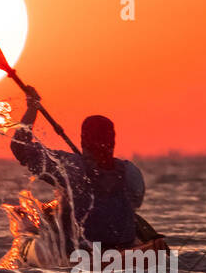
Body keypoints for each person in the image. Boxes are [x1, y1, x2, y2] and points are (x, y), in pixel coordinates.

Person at [9, 87, 159, 250]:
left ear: (82, 141)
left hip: (82, 252)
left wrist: (32, 108)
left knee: (57, 210)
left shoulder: (72, 167)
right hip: (123, 247)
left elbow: (20, 147)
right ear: (113, 142)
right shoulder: (131, 172)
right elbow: (134, 205)